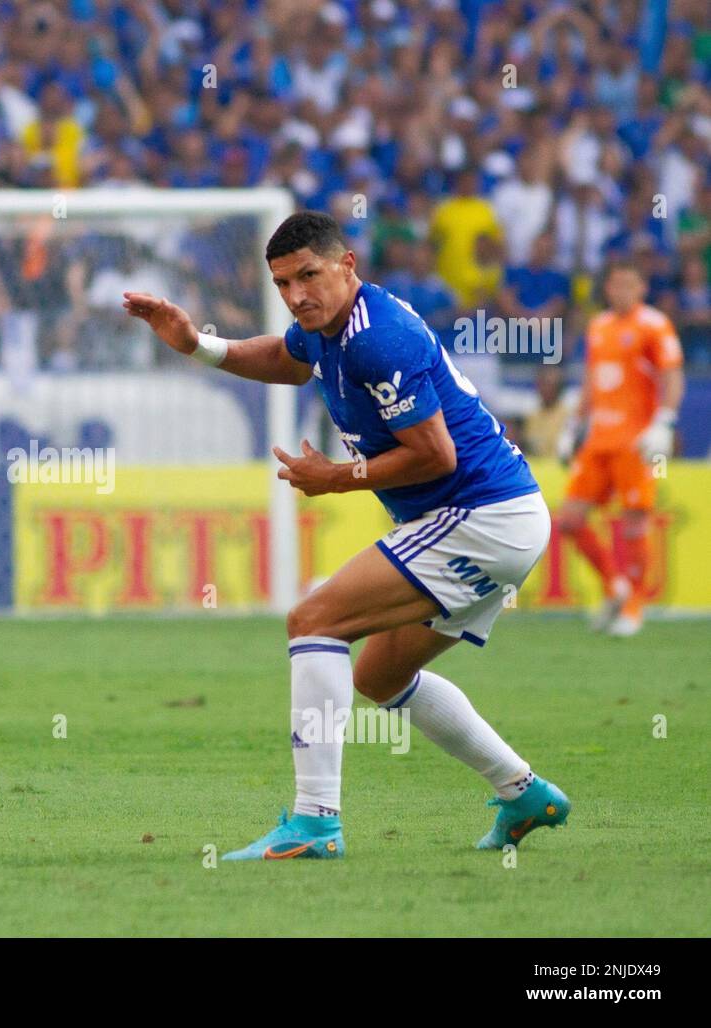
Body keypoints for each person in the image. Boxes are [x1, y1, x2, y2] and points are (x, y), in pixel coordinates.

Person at [123, 211, 569, 861]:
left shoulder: (376, 340)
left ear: (347, 265)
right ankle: (524, 791)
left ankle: (314, 824)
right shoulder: (328, 329)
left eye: (309, 275)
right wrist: (200, 346)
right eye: (283, 283)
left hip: (481, 515)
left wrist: (336, 477)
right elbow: (287, 357)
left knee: (314, 620)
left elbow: (436, 456)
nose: (297, 294)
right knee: (382, 677)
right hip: (502, 519)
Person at [555, 262, 685, 636]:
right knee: (570, 521)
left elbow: (672, 374)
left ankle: (634, 606)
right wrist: (574, 425)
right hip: (599, 439)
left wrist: (665, 420)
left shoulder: (654, 324)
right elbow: (592, 380)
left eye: (629, 283)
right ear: (607, 289)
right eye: (615, 284)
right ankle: (615, 586)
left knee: (633, 521)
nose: (621, 291)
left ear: (642, 287)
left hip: (636, 440)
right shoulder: (598, 326)